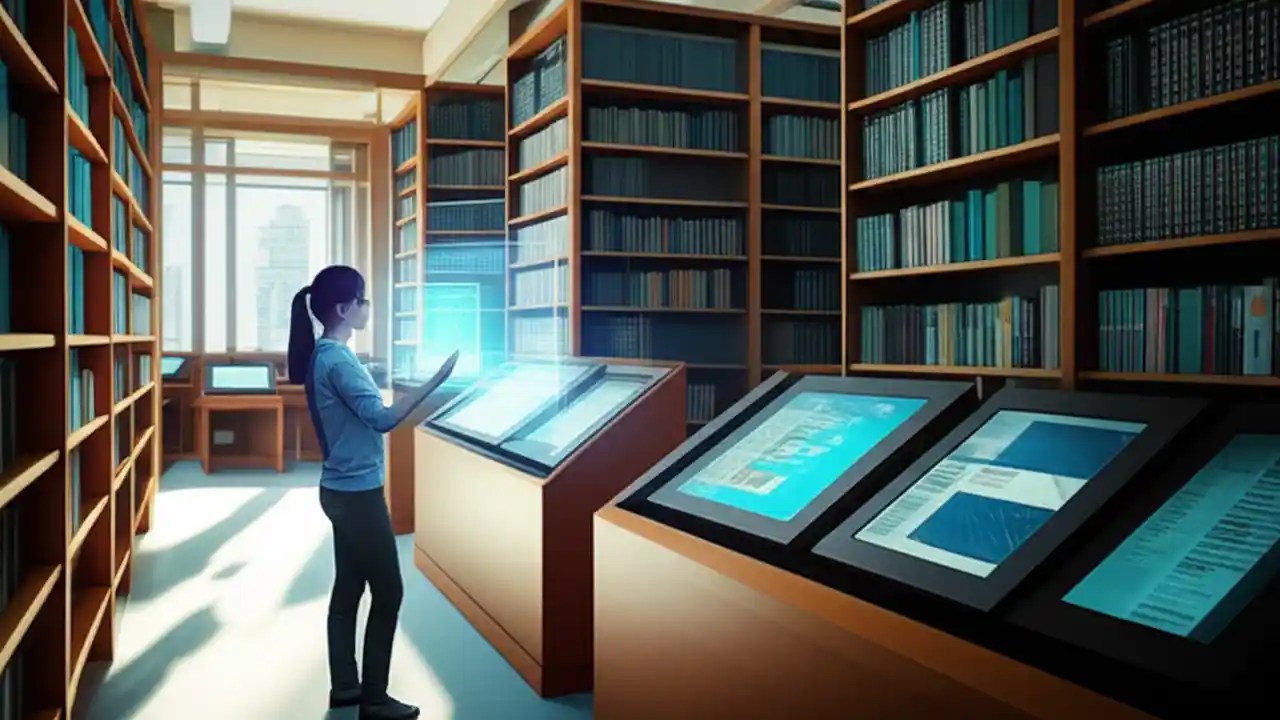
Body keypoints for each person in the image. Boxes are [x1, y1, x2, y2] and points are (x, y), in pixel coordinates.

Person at [287, 265, 458, 720]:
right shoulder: (339, 360)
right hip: (358, 497)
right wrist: (436, 380)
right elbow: (382, 419)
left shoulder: (327, 355)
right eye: (362, 300)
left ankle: (346, 688)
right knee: (389, 593)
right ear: (344, 309)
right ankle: (375, 700)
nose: (367, 307)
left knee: (347, 591)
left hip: (339, 490)